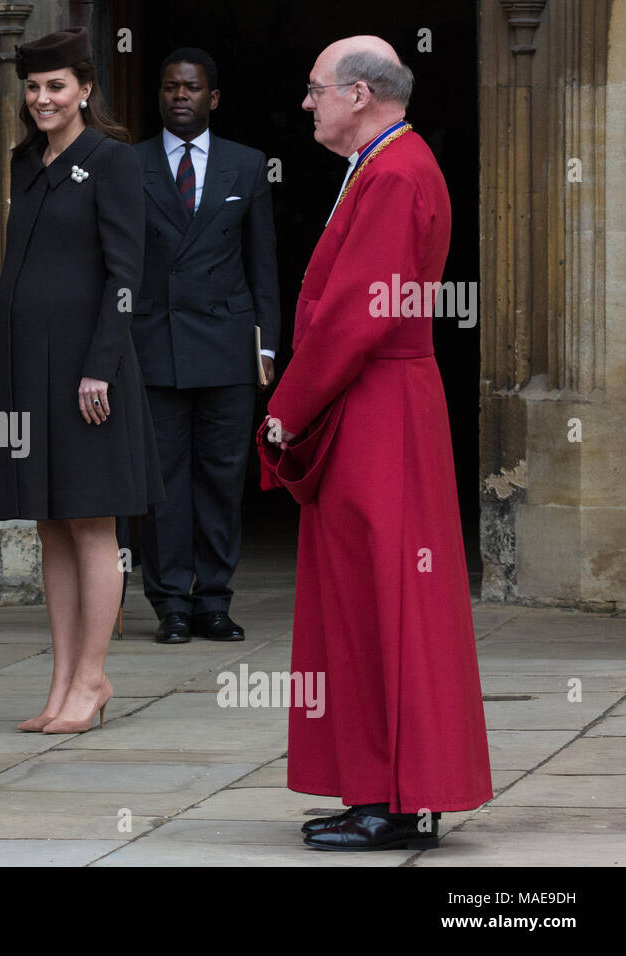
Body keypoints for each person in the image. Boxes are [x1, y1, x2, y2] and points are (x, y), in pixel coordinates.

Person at [261, 36, 492, 850]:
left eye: (317, 89)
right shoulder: (385, 164)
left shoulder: (394, 171)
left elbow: (359, 313)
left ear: (360, 94)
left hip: (379, 403)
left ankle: (398, 799)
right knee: (362, 601)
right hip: (378, 399)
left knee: (387, 598)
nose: (308, 103)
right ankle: (378, 789)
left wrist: (288, 405)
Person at [0, 27, 163, 734]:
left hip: (93, 374)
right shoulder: (25, 162)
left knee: (92, 524)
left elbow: (126, 275)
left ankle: (93, 679)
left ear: (85, 89)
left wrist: (101, 366)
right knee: (50, 525)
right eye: (32, 87)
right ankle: (61, 683)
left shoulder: (112, 162)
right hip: (29, 372)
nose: (42, 99)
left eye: (56, 86)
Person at [133, 47, 281, 645]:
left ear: (212, 97)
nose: (180, 97)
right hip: (155, 344)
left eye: (191, 88)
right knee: (163, 482)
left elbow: (262, 263)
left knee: (222, 478)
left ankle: (214, 599)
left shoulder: (247, 167)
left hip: (226, 346)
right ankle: (170, 602)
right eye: (170, 87)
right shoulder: (130, 163)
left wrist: (267, 347)